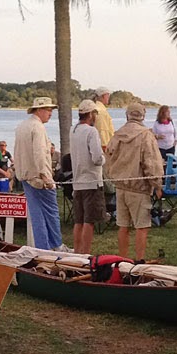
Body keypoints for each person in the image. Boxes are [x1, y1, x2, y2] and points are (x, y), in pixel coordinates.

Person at [106, 102, 163, 260]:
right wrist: (157, 184)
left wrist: (113, 175)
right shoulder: (145, 135)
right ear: (142, 116)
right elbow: (151, 162)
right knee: (141, 226)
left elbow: (109, 156)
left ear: (127, 115)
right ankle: (139, 260)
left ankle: (123, 259)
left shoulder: (118, 134)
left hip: (121, 186)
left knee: (123, 226)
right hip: (138, 187)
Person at [14, 96, 61, 249]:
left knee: (37, 215)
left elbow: (19, 152)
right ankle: (56, 245)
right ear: (39, 110)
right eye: (48, 110)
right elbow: (39, 154)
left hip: (25, 176)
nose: (50, 113)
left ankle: (43, 247)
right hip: (38, 178)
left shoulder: (22, 126)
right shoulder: (38, 127)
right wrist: (47, 177)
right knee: (51, 212)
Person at [70, 100, 106, 254]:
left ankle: (77, 251)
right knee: (88, 221)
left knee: (78, 221)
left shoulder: (73, 130)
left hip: (77, 181)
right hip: (91, 182)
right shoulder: (91, 131)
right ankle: (85, 253)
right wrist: (105, 159)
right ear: (91, 114)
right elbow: (97, 157)